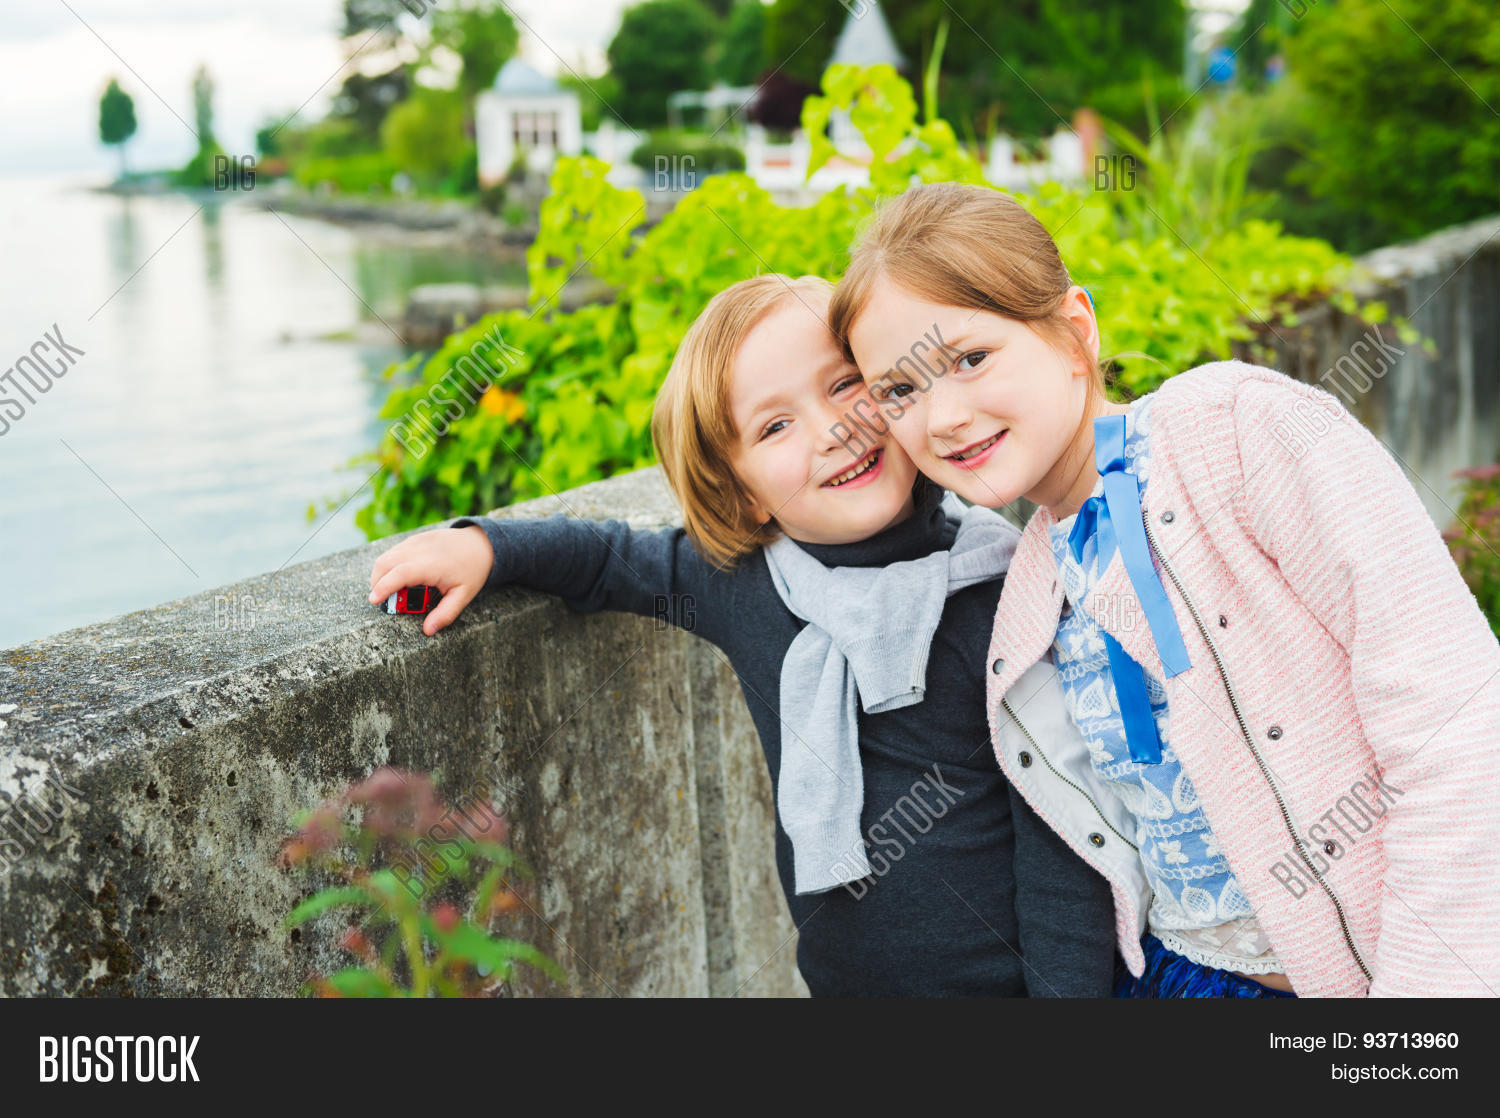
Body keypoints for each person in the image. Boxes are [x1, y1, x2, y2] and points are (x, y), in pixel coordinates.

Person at [828, 181, 1500, 998]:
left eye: (971, 359)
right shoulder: (1027, 587)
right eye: (899, 390)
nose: (942, 419)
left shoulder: (1239, 431)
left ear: (1074, 334)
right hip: (1178, 981)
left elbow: (1458, 724)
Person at [367, 273, 1117, 997]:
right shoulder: (741, 585)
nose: (834, 430)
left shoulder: (1004, 592)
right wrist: (486, 547)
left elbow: (1064, 842)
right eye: (776, 425)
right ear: (743, 495)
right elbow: (604, 559)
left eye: (844, 384)